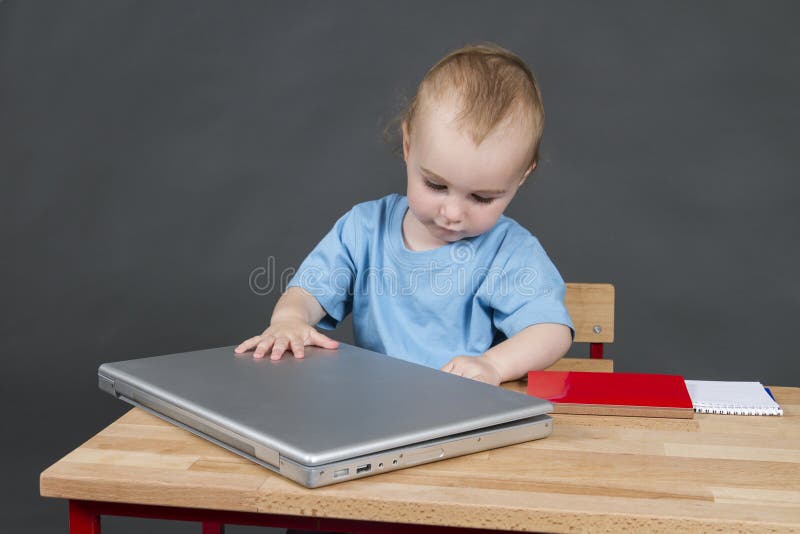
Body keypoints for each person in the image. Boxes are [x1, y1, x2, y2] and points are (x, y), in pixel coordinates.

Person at [235, 43, 574, 386]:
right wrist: (290, 319)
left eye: (482, 197)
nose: (453, 213)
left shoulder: (508, 251)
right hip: (375, 412)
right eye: (436, 185)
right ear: (409, 146)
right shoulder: (364, 230)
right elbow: (308, 291)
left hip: (463, 412)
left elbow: (551, 330)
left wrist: (493, 365)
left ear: (521, 177)